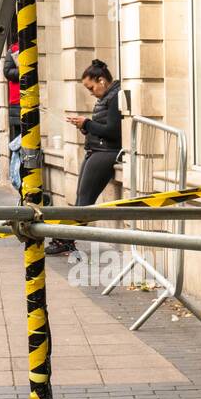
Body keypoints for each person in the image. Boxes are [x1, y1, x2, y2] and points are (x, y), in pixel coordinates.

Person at [46, 59, 121, 256]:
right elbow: (104, 129)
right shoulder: (107, 97)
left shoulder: (115, 98)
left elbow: (113, 131)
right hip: (97, 151)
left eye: (91, 87)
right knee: (81, 197)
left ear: (102, 80)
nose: (91, 92)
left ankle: (66, 238)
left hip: (105, 153)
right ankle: (66, 238)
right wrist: (85, 127)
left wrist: (87, 123)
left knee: (85, 199)